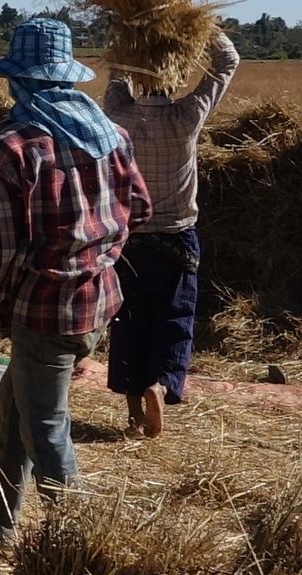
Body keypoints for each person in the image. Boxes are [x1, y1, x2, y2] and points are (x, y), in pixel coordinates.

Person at [0, 18, 152, 550]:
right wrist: (98, 253)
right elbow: (139, 209)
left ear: (17, 80)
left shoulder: (10, 148)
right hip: (99, 301)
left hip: (48, 312)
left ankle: (83, 551)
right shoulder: (110, 135)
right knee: (14, 406)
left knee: (46, 429)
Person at [102, 30, 239, 437]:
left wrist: (132, 31)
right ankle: (159, 385)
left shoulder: (118, 113)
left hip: (130, 239)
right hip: (177, 240)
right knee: (174, 319)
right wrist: (200, 27)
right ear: (177, 75)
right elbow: (226, 62)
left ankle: (132, 415)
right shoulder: (187, 117)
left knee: (128, 320)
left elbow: (116, 74)